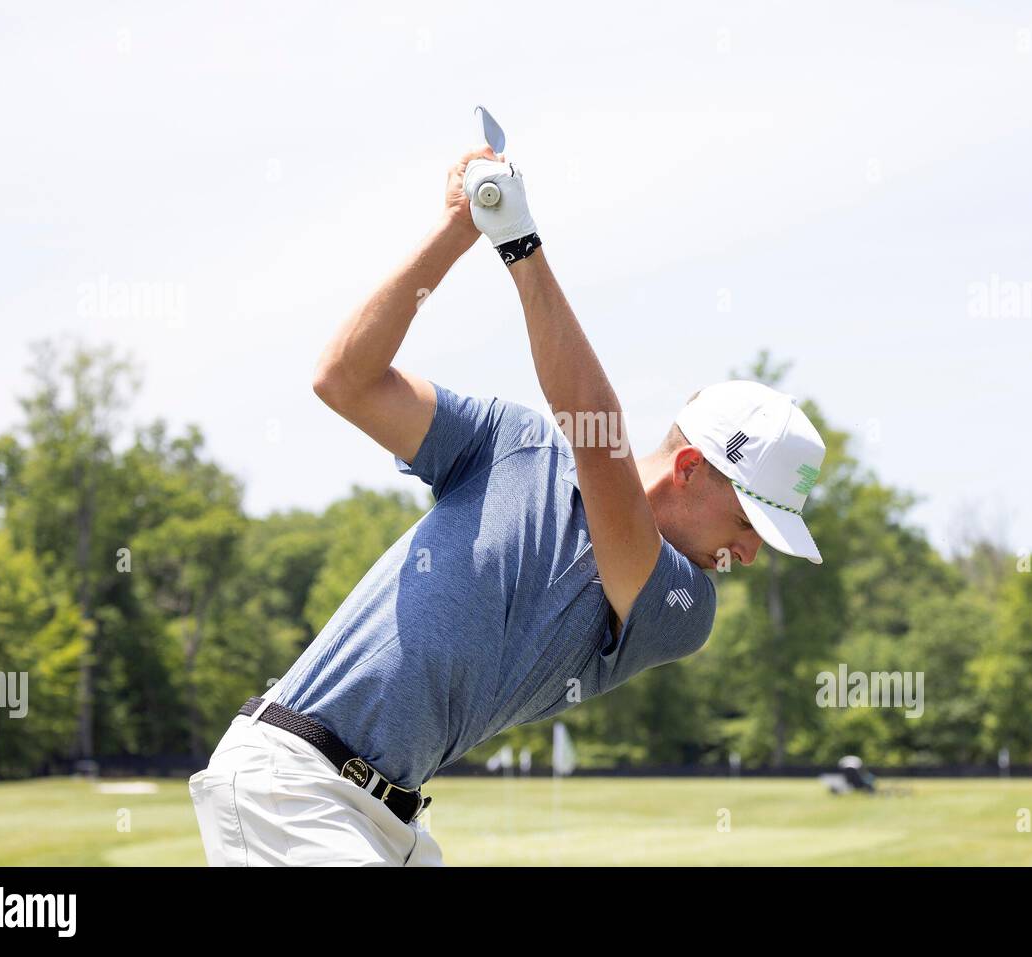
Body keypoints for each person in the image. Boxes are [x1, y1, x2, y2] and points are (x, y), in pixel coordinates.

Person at [188, 145, 829, 866]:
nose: (749, 552)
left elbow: (595, 434)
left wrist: (519, 243)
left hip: (388, 818)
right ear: (689, 468)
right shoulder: (508, 441)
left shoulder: (683, 606)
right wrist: (461, 227)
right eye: (749, 522)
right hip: (292, 786)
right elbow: (346, 378)